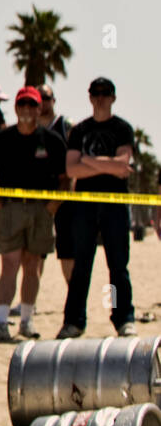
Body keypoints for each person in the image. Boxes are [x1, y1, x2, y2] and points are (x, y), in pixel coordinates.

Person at [0, 87, 67, 341]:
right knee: (9, 264)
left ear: (39, 108)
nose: (27, 110)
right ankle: (1, 321)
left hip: (41, 209)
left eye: (32, 105)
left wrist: (51, 208)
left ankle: (26, 320)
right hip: (10, 208)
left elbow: (65, 179)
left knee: (32, 265)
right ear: (15, 108)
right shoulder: (1, 140)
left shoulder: (52, 141)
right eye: (22, 104)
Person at [58, 78, 136, 338]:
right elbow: (71, 169)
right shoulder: (79, 130)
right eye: (96, 93)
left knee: (117, 265)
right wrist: (107, 164)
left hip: (114, 204)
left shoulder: (122, 128)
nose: (101, 98)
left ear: (113, 97)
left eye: (105, 93)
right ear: (90, 97)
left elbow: (122, 167)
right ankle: (74, 321)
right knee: (82, 265)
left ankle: (122, 317)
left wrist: (89, 160)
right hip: (85, 205)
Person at [36, 84, 77, 283]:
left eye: (46, 97)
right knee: (35, 251)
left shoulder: (66, 125)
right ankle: (29, 302)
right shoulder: (30, 127)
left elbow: (79, 157)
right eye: (39, 97)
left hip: (65, 195)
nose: (42, 101)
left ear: (54, 100)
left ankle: (73, 298)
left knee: (67, 250)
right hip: (38, 197)